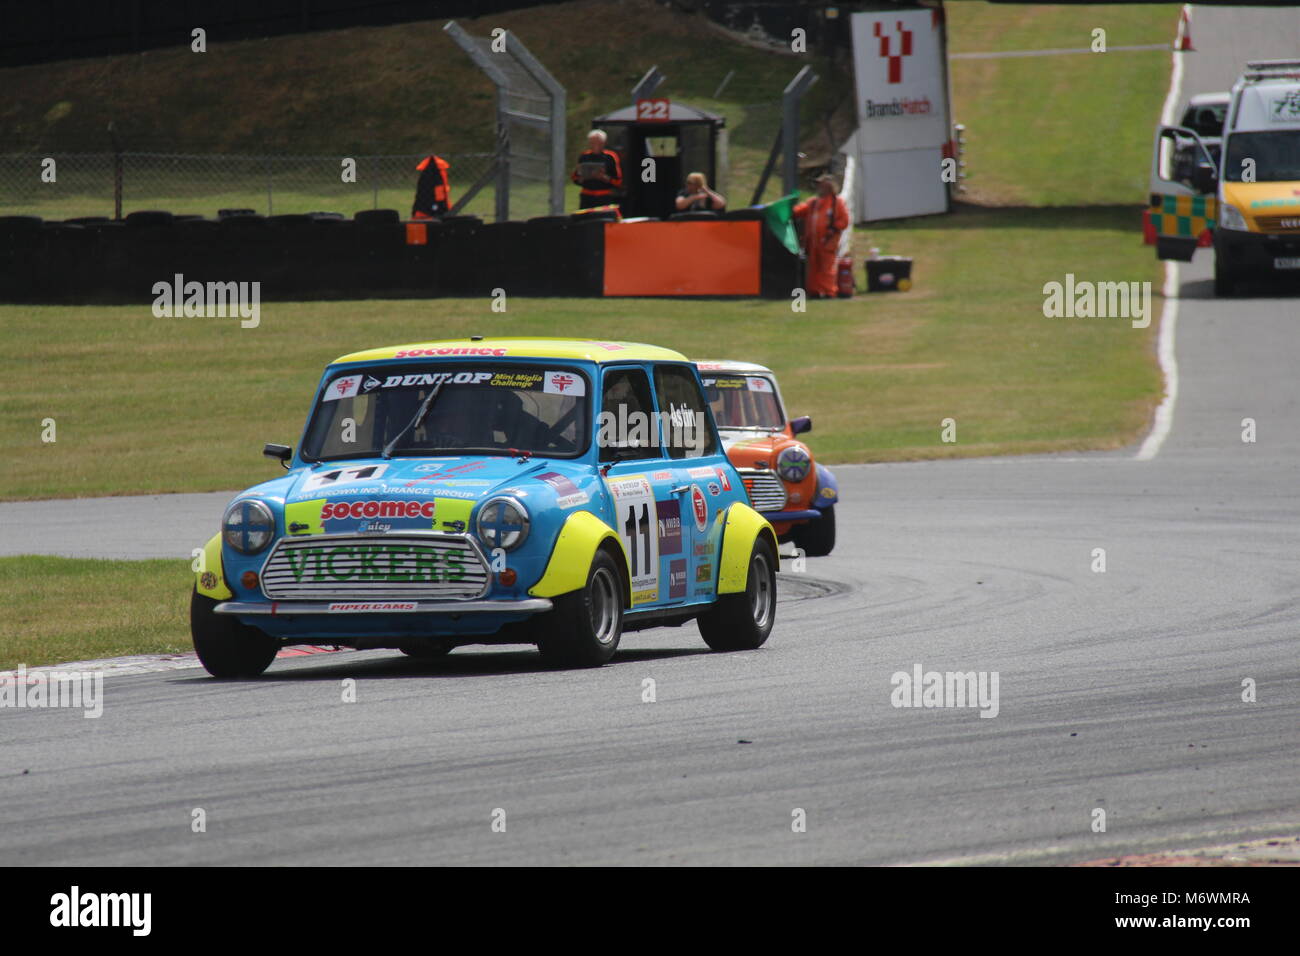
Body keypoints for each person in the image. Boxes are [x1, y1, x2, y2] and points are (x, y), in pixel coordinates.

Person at [793, 173, 850, 299]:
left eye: (822, 185)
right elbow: (798, 211)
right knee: (813, 268)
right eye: (819, 185)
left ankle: (829, 292)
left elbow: (844, 221)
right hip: (812, 242)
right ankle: (815, 291)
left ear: (829, 187)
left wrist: (833, 229)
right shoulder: (813, 202)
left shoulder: (837, 203)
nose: (819, 188)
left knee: (827, 268)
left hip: (828, 241)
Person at [572, 129, 624, 210]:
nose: (595, 145)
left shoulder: (610, 156)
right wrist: (583, 177)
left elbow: (618, 181)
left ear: (604, 143)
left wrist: (603, 177)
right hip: (587, 196)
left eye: (599, 142)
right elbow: (575, 178)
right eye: (592, 142)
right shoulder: (584, 156)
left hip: (604, 196)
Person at [411, 153, 452, 219]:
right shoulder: (438, 174)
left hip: (425, 214)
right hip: (433, 214)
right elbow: (440, 197)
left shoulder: (427, 175)